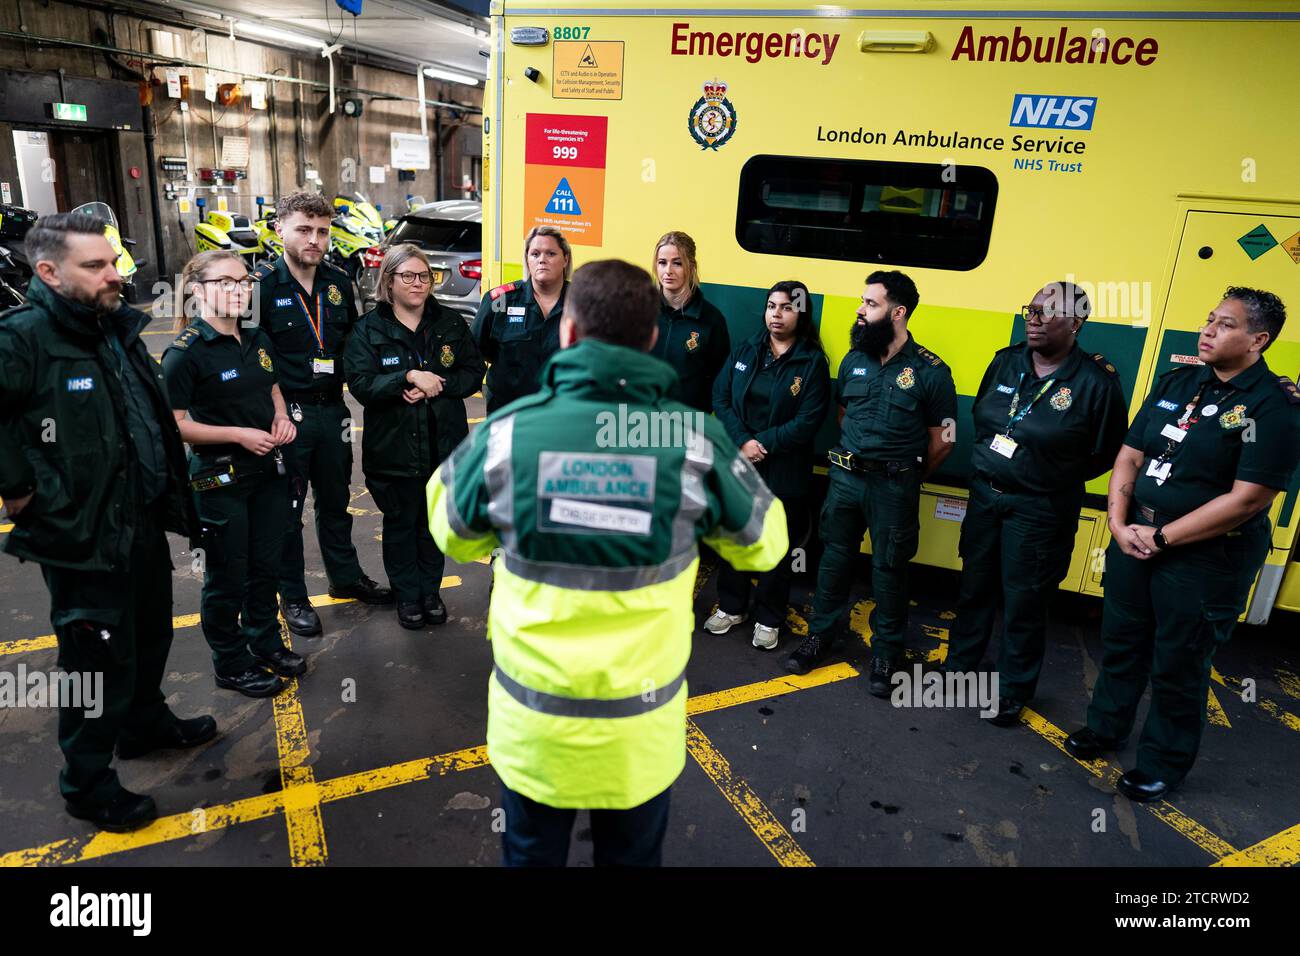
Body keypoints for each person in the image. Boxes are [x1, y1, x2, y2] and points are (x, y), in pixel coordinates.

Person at [429, 259, 789, 866]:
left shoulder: (508, 436)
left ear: (567, 333)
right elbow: (764, 544)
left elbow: (454, 535)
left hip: (534, 731)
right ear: (651, 339)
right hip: (638, 739)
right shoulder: (693, 441)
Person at [0, 213, 212, 832]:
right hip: (80, 533)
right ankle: (87, 784)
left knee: (150, 634)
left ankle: (144, 724)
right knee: (95, 662)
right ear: (49, 272)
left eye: (113, 261)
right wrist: (19, 490)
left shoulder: (111, 328)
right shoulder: (25, 336)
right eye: (95, 266)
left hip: (139, 520)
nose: (115, 275)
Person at [1065, 288, 1299, 801]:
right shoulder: (1180, 381)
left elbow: (1247, 500)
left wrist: (1163, 537)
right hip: (1136, 536)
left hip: (1206, 557)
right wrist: (1119, 522)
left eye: (1227, 324)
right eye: (1210, 319)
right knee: (1123, 642)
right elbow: (1130, 453)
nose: (1209, 329)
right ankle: (1105, 727)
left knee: (1179, 661)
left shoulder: (1272, 407)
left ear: (1258, 340)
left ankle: (1162, 764)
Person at [944, 282, 1129, 726]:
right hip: (987, 496)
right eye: (1032, 309)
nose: (1034, 317)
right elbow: (984, 418)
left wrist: (1046, 476)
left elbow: (1107, 451)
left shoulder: (1095, 382)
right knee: (974, 588)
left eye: (1048, 312)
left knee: (1025, 602)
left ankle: (1011, 691)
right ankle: (959, 669)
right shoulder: (1005, 361)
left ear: (1076, 324)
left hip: (1040, 509)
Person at [789, 271, 957, 693]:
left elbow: (945, 439)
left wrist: (909, 476)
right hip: (846, 480)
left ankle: (886, 654)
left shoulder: (931, 371)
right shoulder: (854, 360)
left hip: (894, 486)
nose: (860, 310)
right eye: (862, 302)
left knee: (889, 571)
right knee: (833, 562)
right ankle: (820, 636)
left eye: (871, 304)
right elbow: (844, 413)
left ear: (898, 312)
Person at [254, 191, 391, 639]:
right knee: (287, 510)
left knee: (336, 502)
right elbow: (254, 356)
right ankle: (292, 596)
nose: (315, 240)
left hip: (332, 410)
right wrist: (278, 414)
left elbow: (352, 344)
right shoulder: (261, 286)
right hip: (287, 413)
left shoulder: (337, 282)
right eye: (304, 230)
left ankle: (345, 578)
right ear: (279, 230)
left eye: (322, 231)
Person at [163, 251, 300, 698]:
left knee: (266, 566)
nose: (239, 290)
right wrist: (238, 434)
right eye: (227, 282)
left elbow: (273, 387)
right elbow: (175, 424)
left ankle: (264, 643)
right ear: (199, 291)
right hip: (218, 479)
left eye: (243, 282)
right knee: (226, 575)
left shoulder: (257, 338)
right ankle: (231, 661)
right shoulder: (185, 354)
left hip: (267, 473)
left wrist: (281, 419)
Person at [345, 243, 485, 629]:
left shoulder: (451, 324)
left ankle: (430, 592)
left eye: (424, 276)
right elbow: (359, 383)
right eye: (407, 276)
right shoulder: (367, 329)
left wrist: (436, 384)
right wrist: (403, 378)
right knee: (401, 524)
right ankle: (408, 596)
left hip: (443, 445)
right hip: (393, 448)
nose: (418, 283)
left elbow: (473, 372)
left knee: (432, 523)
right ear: (388, 282)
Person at [707, 280, 830, 650]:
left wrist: (764, 445)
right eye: (772, 306)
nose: (776, 314)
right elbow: (721, 396)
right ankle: (731, 607)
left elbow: (810, 419)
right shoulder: (747, 349)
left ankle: (768, 618)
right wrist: (743, 441)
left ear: (801, 314)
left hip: (784, 470)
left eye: (787, 307)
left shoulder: (811, 363)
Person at [472, 225, 570, 414]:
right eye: (535, 254)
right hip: (509, 413)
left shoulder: (582, 303)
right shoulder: (499, 300)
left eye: (551, 253)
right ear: (527, 259)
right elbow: (475, 350)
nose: (542, 260)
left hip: (562, 413)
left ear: (565, 259)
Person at [649, 231, 731, 413]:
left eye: (677, 263)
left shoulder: (712, 320)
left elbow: (720, 381)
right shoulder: (642, 310)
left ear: (691, 266)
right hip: (640, 417)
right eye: (662, 263)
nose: (668, 271)